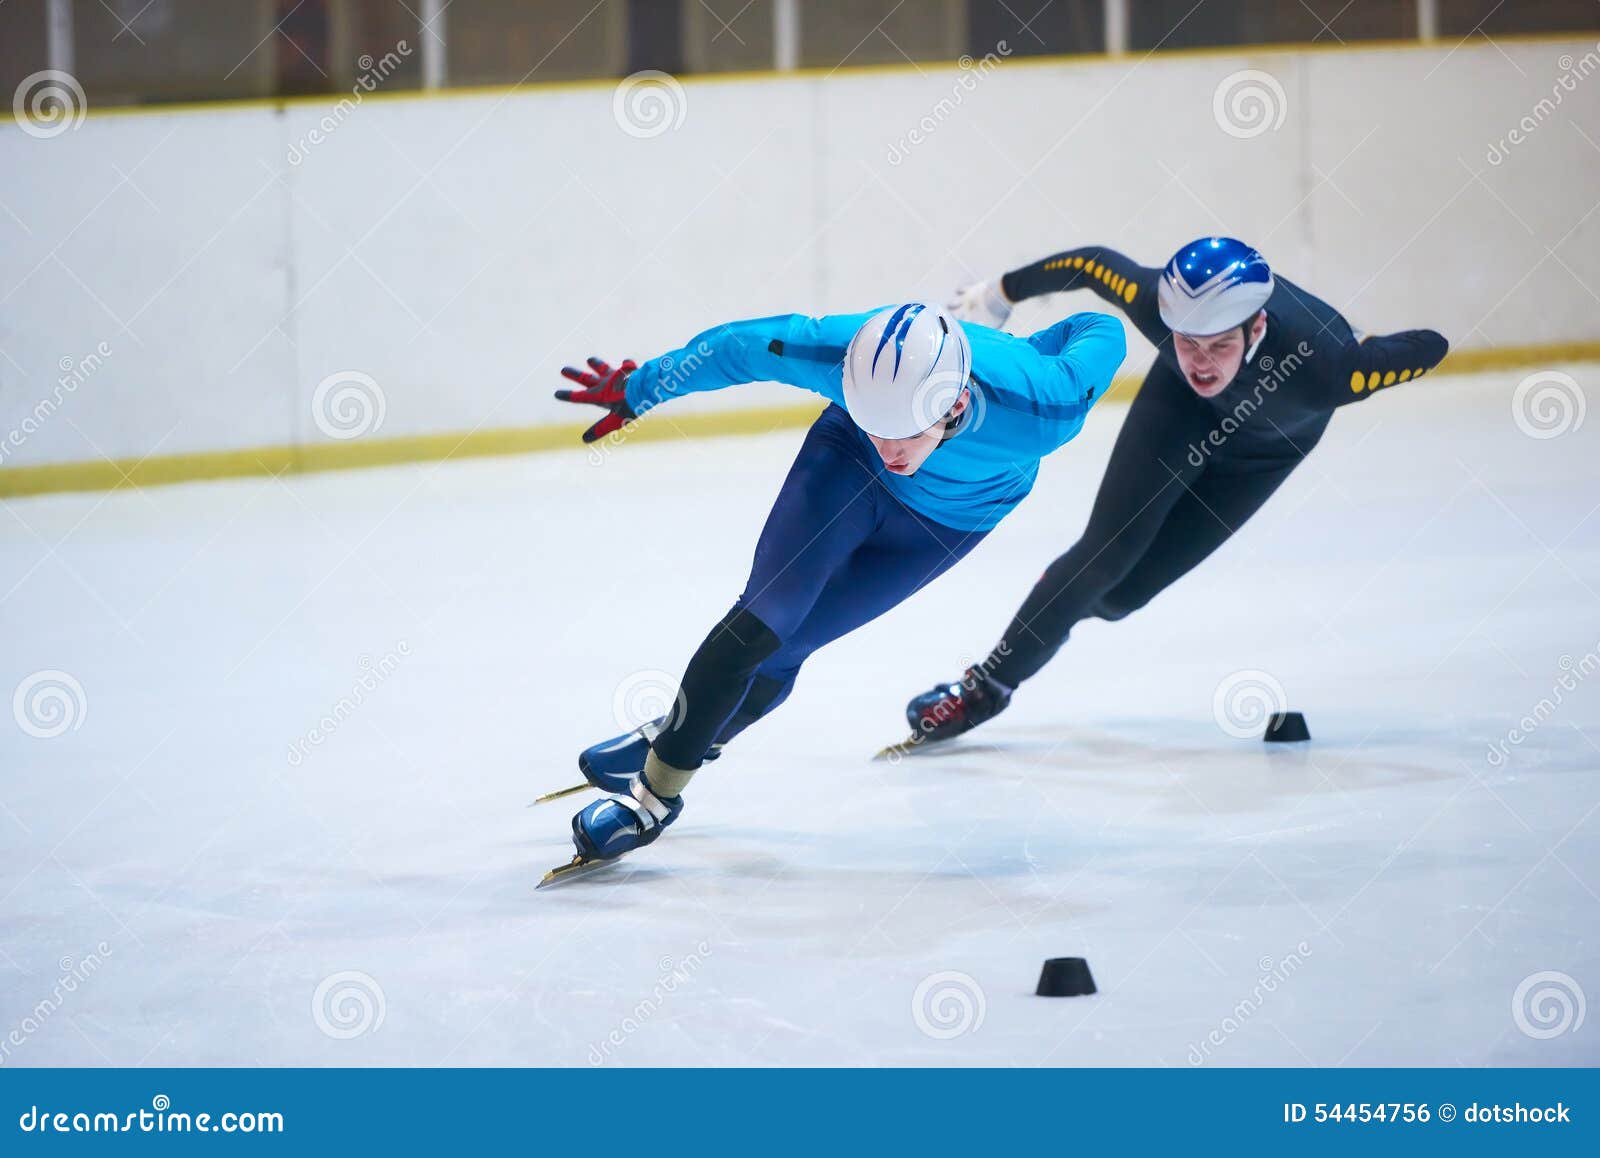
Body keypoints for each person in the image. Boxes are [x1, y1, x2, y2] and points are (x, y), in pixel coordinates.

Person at [544, 301, 1126, 880]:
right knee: (765, 619)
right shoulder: (838, 353)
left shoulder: (1045, 403)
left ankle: (686, 732)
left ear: (955, 404)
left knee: (792, 646)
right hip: (846, 463)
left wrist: (1026, 351)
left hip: (949, 520)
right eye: (876, 422)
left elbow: (1100, 327)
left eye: (906, 432)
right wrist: (640, 389)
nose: (891, 450)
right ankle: (652, 798)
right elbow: (736, 347)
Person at [901, 237, 1450, 746]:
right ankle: (984, 690)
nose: (1202, 362)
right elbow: (1092, 264)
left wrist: (1366, 350)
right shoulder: (1157, 308)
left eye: (1219, 345)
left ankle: (1059, 615)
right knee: (1103, 555)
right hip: (1180, 407)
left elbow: (1432, 345)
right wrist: (1000, 291)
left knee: (1119, 598)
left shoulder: (1329, 370)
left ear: (1256, 327)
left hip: (1264, 451)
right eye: (1187, 342)